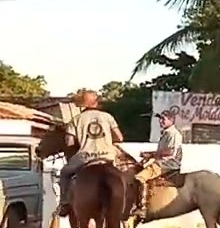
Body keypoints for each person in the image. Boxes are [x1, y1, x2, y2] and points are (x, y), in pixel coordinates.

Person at [57, 89, 125, 217]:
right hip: (107, 157)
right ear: (96, 103)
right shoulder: (108, 117)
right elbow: (120, 138)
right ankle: (127, 204)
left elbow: (69, 143)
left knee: (64, 173)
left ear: (82, 104)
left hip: (84, 158)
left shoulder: (75, 120)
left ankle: (64, 203)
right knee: (124, 175)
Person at [134, 110, 184, 217]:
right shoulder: (166, 133)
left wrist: (150, 154)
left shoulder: (174, 134)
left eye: (163, 119)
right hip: (163, 163)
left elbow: (170, 152)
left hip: (168, 165)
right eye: (160, 119)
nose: (160, 121)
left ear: (171, 120)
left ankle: (142, 207)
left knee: (139, 177)